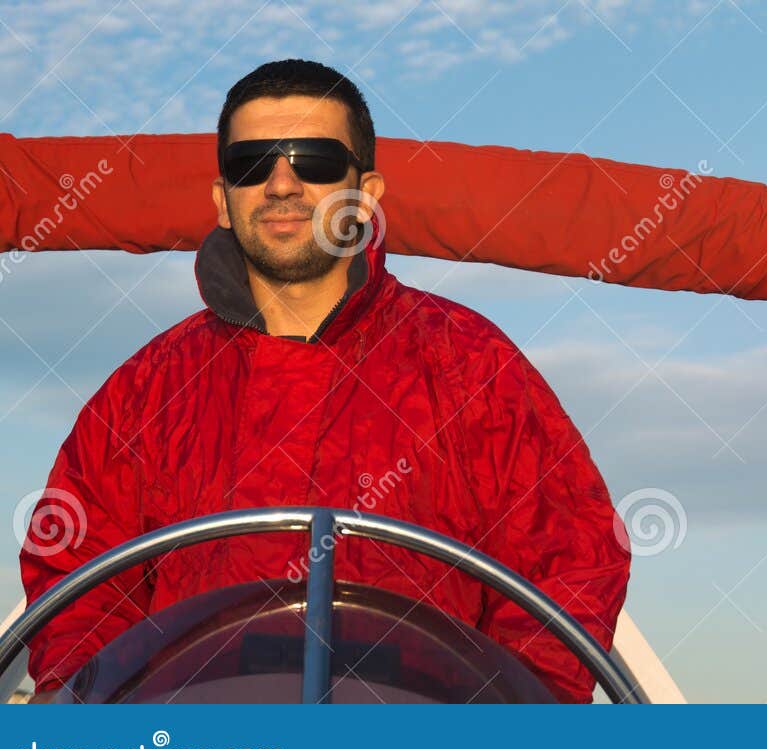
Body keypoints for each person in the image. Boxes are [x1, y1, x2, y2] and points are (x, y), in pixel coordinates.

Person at [18, 59, 628, 703]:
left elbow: (570, 556)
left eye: (313, 160)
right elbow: (78, 578)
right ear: (223, 201)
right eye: (253, 163)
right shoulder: (146, 392)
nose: (282, 183)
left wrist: (509, 724)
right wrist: (96, 725)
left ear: (365, 193)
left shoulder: (472, 367)